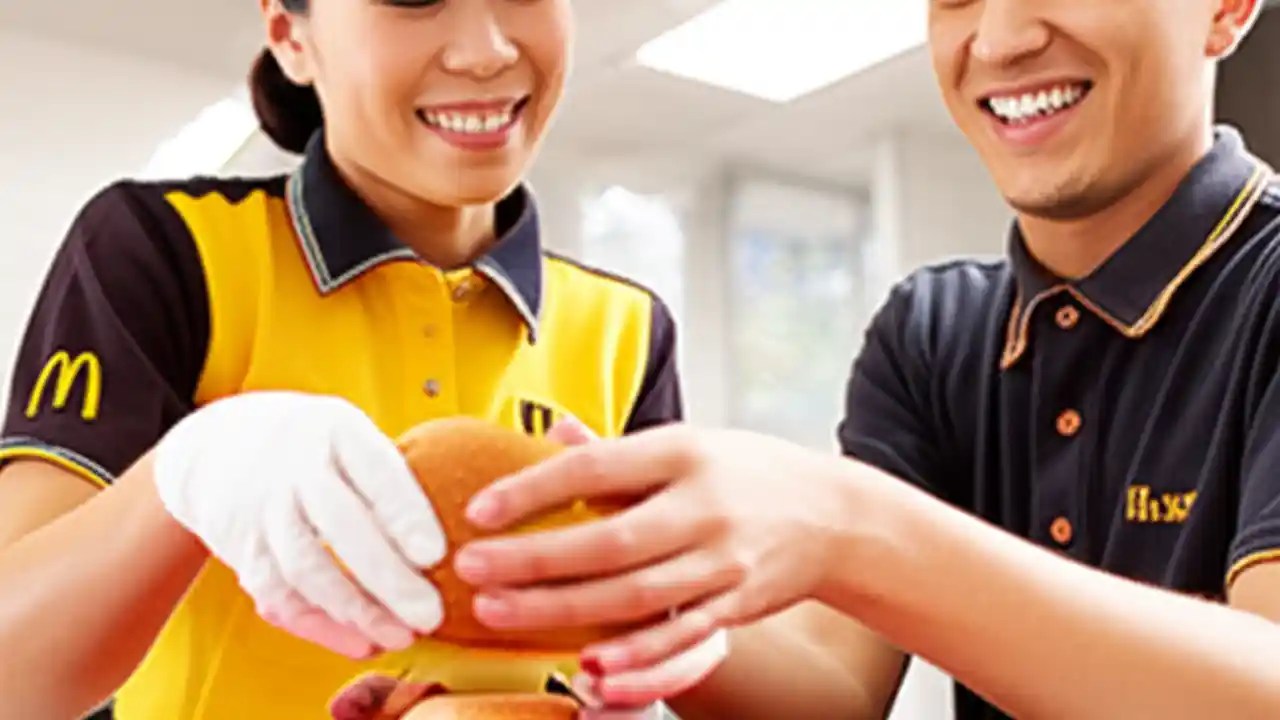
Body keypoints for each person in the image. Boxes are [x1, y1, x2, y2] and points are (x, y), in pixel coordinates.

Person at [443, 0, 1280, 717]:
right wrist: (614, 583)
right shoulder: (933, 332)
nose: (998, 39)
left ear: (1228, 7)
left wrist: (848, 525)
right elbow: (835, 687)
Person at [0, 0, 723, 718]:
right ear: (290, 36)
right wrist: (177, 481)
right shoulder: (166, 250)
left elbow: (727, 663)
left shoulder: (627, 327)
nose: (486, 50)